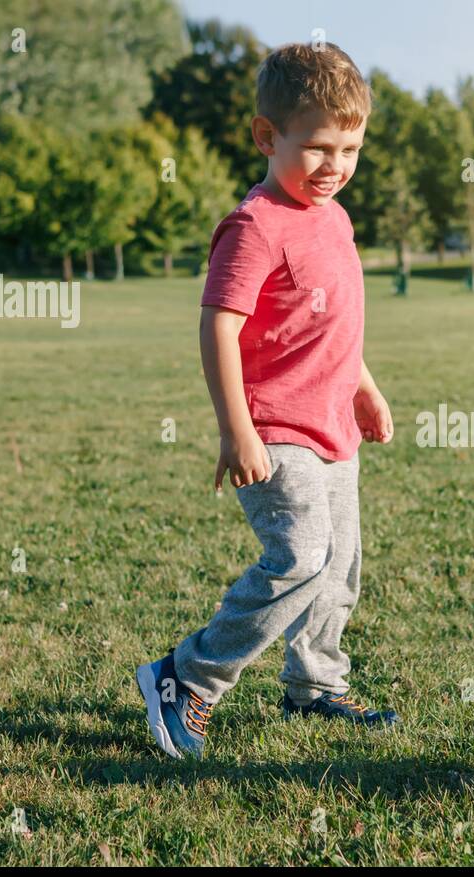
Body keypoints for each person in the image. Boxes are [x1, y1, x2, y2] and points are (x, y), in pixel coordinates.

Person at [135, 41, 398, 759]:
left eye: (349, 148)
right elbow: (219, 324)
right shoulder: (255, 226)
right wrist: (237, 431)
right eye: (316, 147)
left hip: (332, 423)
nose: (334, 165)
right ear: (265, 136)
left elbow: (329, 324)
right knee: (302, 555)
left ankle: (314, 685)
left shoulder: (333, 219)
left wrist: (365, 387)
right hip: (275, 428)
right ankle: (186, 679)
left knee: (340, 564)